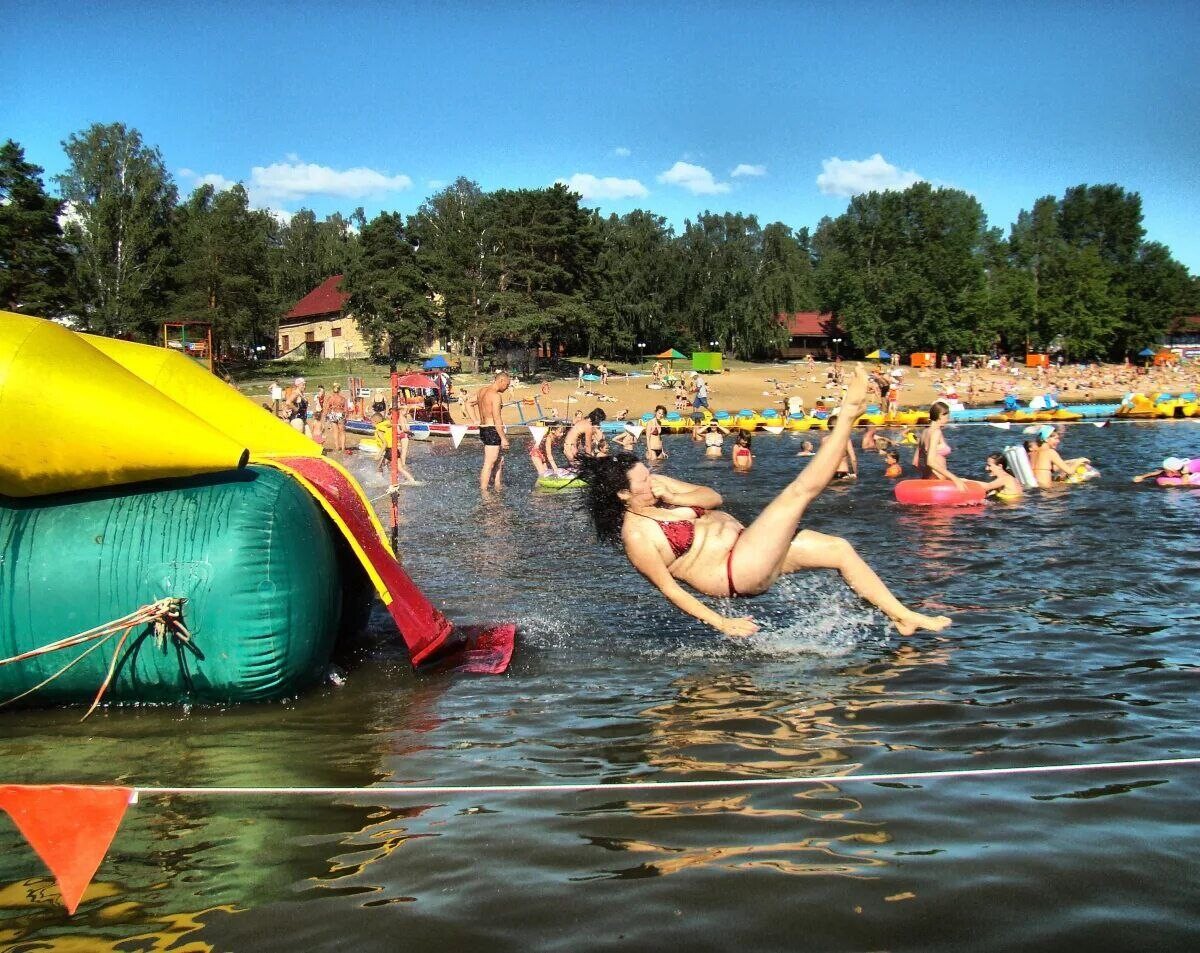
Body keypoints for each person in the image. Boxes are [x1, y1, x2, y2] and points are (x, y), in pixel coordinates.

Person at [574, 369, 951, 637]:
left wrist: (679, 496)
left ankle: (902, 616)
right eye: (641, 479)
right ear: (623, 493)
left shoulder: (659, 486)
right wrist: (723, 624)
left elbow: (714, 497)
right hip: (736, 571)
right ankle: (848, 415)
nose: (651, 479)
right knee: (797, 493)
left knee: (839, 549)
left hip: (748, 542)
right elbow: (671, 590)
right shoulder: (637, 536)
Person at [913, 402, 965, 489]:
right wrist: (954, 478)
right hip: (938, 480)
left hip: (928, 478)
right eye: (947, 417)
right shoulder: (936, 432)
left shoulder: (925, 432)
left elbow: (915, 462)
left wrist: (927, 476)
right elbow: (931, 461)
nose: (948, 420)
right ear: (941, 415)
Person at [476, 369, 511, 491]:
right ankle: (484, 491)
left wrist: (475, 420)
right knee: (489, 463)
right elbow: (497, 419)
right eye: (507, 384)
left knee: (500, 460)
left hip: (484, 429)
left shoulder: (481, 391)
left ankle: (497, 486)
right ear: (501, 380)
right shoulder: (495, 396)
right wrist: (503, 438)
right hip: (492, 430)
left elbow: (468, 403)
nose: (507, 388)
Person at [374, 405, 416, 484]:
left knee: (381, 467)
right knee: (397, 467)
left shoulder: (381, 428)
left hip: (391, 449)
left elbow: (385, 443)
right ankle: (411, 480)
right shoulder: (389, 423)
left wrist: (378, 455)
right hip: (394, 448)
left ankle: (378, 481)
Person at [323, 383, 349, 454]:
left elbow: (327, 408)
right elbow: (346, 409)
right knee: (342, 432)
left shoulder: (330, 398)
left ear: (332, 389)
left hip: (333, 414)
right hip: (340, 414)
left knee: (335, 432)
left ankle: (337, 447)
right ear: (339, 390)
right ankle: (343, 448)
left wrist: (325, 416)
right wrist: (346, 417)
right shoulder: (343, 399)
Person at [1133, 456, 1197, 485]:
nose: (1164, 470)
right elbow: (1156, 473)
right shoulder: (1172, 470)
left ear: (1173, 471)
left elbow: (1184, 484)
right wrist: (1142, 477)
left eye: (1166, 470)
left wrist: (1173, 484)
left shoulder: (1185, 472)